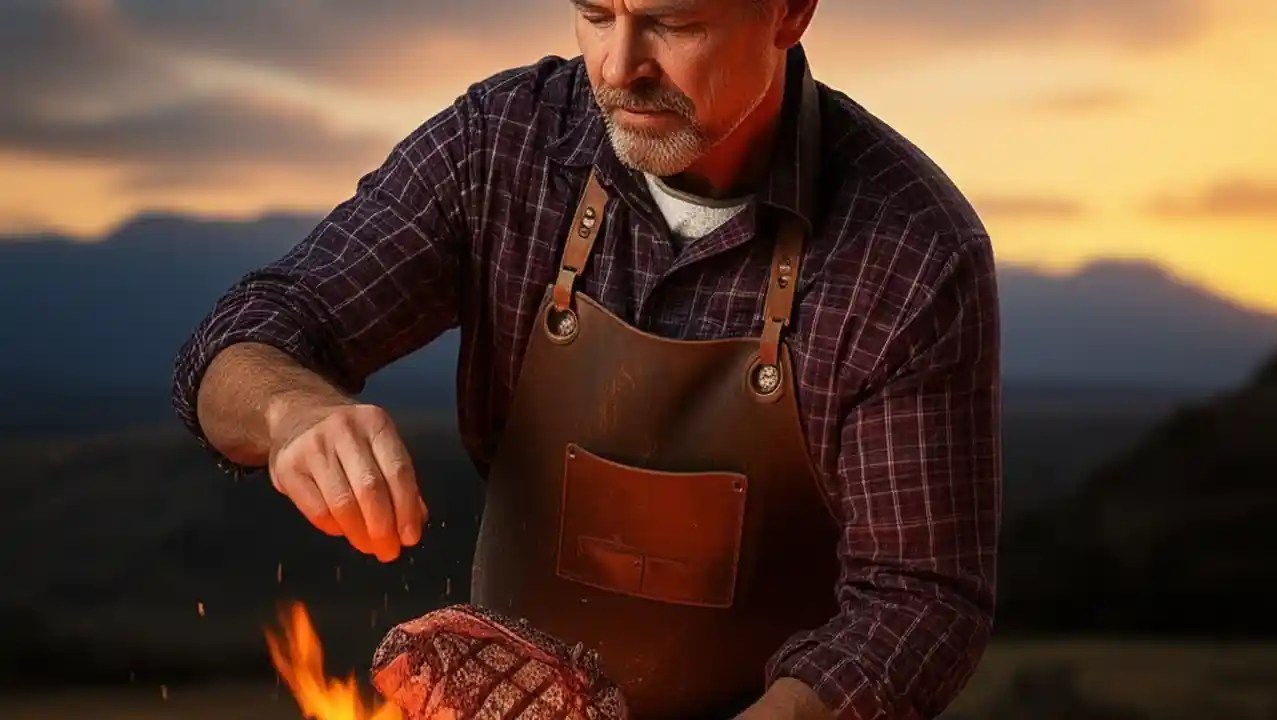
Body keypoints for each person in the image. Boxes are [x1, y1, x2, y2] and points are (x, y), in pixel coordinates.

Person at [172, 1, 1002, 718]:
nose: (618, 66)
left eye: (673, 23)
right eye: (596, 14)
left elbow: (919, 600)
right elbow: (248, 332)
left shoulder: (912, 250)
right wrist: (291, 412)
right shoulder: (503, 145)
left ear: (788, 13)